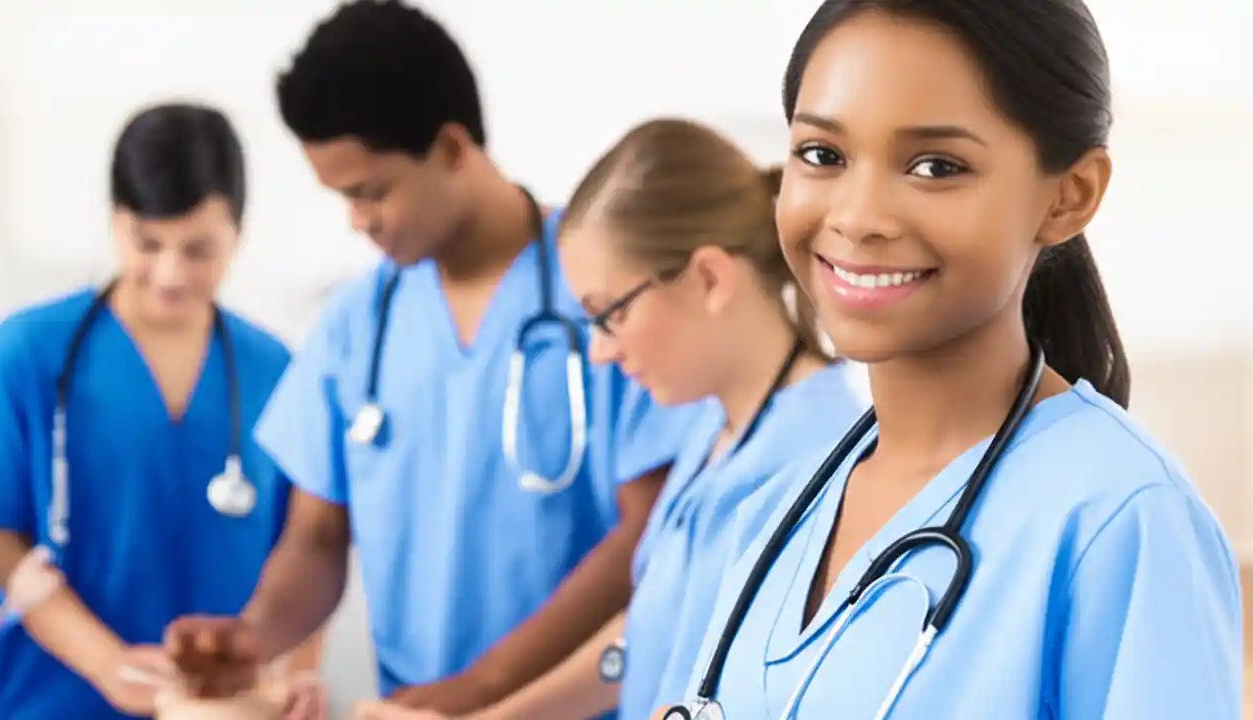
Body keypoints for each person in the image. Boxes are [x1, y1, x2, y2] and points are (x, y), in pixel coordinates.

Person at [656, 1, 1243, 719]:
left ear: (1069, 196)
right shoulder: (775, 516)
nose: (857, 217)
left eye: (936, 166)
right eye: (823, 155)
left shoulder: (1124, 518)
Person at [162, 2, 697, 716]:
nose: (359, 221)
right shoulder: (357, 321)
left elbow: (648, 534)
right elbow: (317, 539)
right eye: (343, 199)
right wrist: (253, 636)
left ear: (449, 147)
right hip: (412, 707)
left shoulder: (603, 290)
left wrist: (480, 691)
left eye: (372, 192)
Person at [355, 119, 867, 720]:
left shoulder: (817, 460)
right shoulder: (715, 430)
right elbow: (639, 643)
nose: (599, 351)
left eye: (609, 315)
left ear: (708, 279)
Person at [0, 103, 324, 719]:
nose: (170, 273)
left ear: (239, 233)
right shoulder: (22, 355)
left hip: (222, 710)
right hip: (55, 699)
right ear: (116, 222)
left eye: (198, 249)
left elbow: (310, 550)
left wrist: (295, 677)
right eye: (148, 243)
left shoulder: (277, 371)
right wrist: (106, 663)